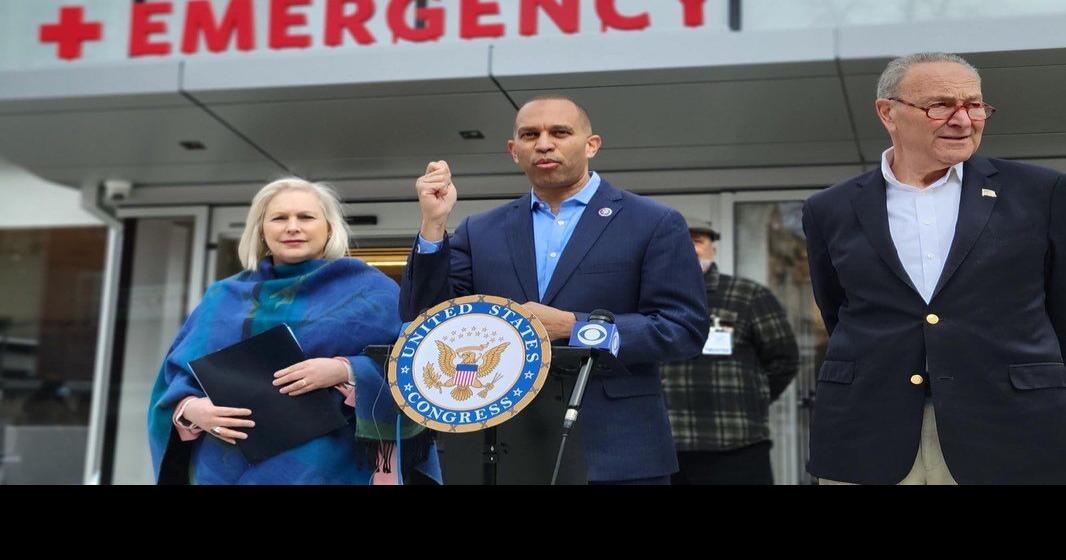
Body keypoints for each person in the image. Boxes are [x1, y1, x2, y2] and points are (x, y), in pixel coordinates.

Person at [399, 95, 709, 484]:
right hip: (501, 445)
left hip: (616, 450)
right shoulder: (481, 230)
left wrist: (573, 327)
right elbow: (424, 318)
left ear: (591, 144)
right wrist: (433, 225)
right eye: (530, 135)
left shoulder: (653, 222)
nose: (544, 143)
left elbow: (683, 331)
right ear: (514, 151)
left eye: (560, 132)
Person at [803, 52, 1066, 484]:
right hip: (868, 437)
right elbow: (837, 310)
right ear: (888, 113)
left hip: (1011, 434)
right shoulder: (828, 209)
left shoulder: (1043, 193)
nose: (963, 119)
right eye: (940, 105)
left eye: (975, 105)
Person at [148, 178, 440, 484]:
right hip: (224, 468)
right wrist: (193, 410)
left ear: (329, 227)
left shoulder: (371, 290)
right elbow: (175, 380)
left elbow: (414, 369)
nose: (292, 227)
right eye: (279, 218)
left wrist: (344, 370)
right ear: (261, 230)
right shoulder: (223, 296)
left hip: (332, 468)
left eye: (306, 217)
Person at [661, 221, 798, 485]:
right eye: (680, 242)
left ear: (713, 248)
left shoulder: (748, 295)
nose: (689, 249)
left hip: (737, 446)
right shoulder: (648, 297)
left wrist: (751, 398)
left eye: (697, 240)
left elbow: (784, 358)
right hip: (665, 447)